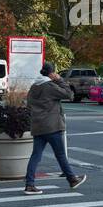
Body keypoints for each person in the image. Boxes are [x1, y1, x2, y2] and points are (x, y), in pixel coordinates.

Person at [24, 62, 87, 195]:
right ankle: (72, 179)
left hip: (38, 126)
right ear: (51, 73)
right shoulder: (50, 86)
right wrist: (60, 80)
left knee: (35, 155)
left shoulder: (34, 87)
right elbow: (70, 94)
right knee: (60, 155)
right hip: (52, 126)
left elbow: (28, 105)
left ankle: (29, 184)